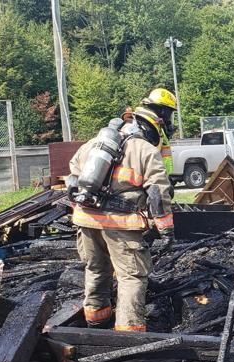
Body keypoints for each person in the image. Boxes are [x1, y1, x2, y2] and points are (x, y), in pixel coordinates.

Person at [68, 110, 174, 332]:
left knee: (96, 269)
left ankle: (96, 321)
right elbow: (157, 192)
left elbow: (72, 179)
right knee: (131, 277)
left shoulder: (92, 145)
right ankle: (129, 333)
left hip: (86, 221)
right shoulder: (144, 150)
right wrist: (166, 228)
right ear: (150, 129)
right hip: (121, 225)